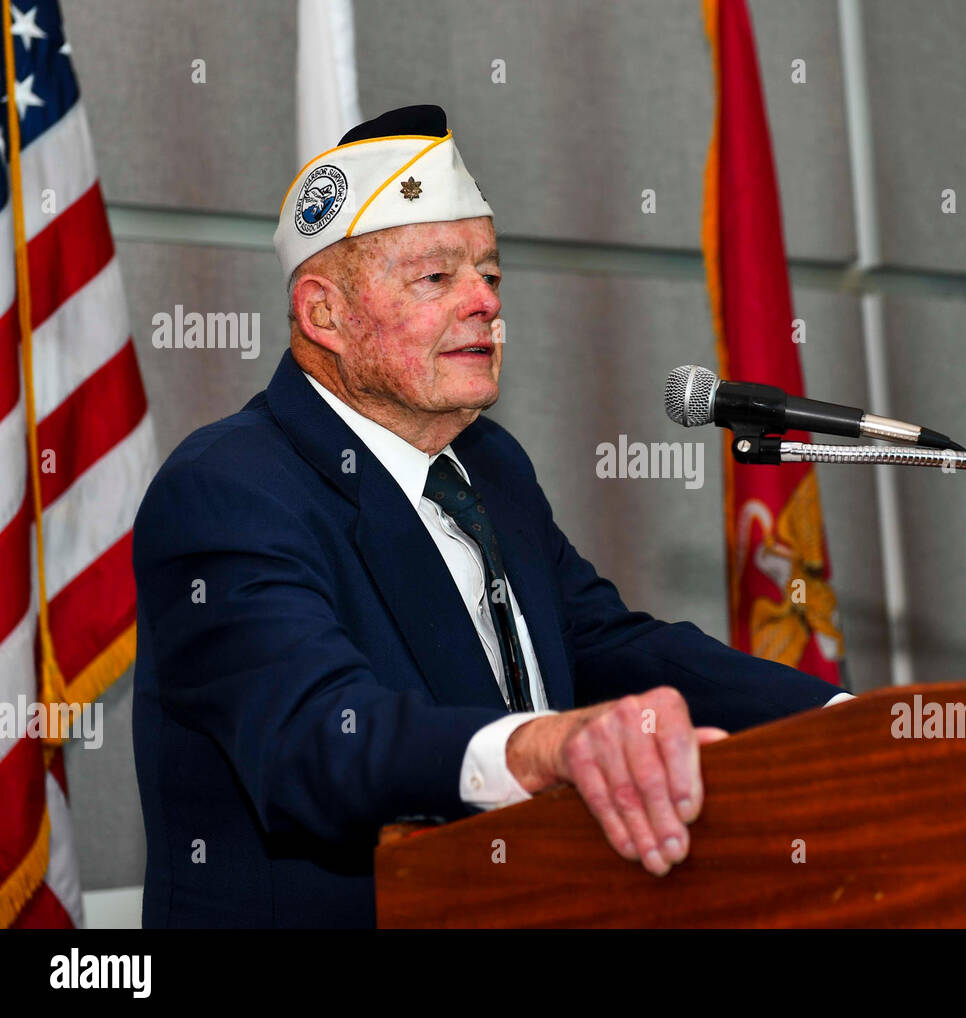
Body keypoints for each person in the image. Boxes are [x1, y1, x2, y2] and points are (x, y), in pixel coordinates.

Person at [132, 105, 850, 928]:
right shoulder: (228, 488)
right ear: (323, 314)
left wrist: (841, 725)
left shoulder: (489, 464)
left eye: (490, 275)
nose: (484, 302)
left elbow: (599, 645)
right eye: (437, 278)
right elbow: (316, 740)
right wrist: (544, 746)